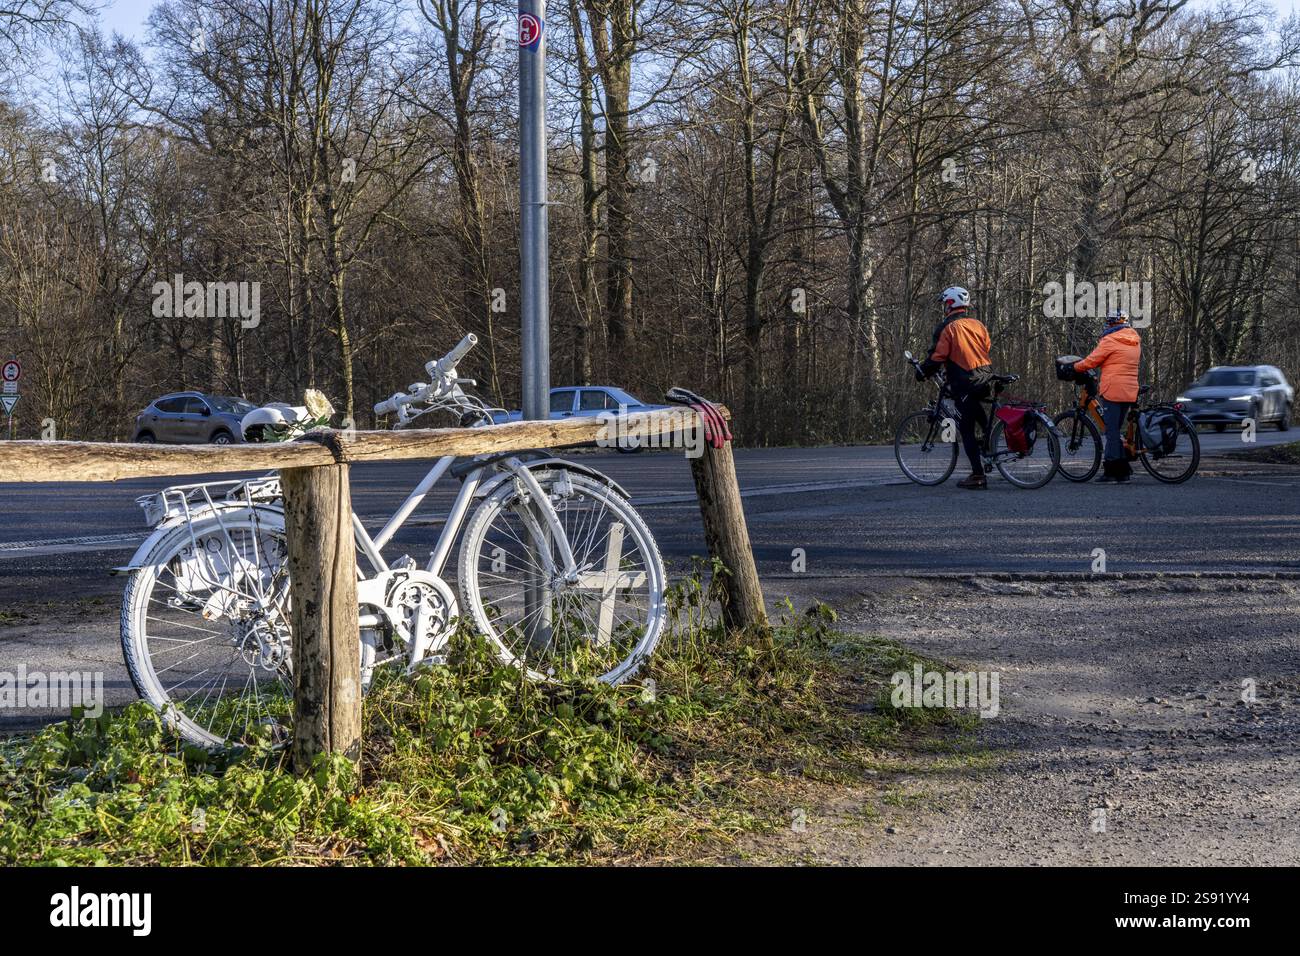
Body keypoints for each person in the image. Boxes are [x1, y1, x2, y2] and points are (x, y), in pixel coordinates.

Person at [918, 286, 994, 490]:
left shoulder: (947, 327)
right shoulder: (978, 324)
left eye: (945, 303)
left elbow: (937, 356)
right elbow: (985, 347)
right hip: (984, 377)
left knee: (965, 429)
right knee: (977, 413)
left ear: (949, 304)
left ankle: (978, 475)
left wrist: (923, 371)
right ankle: (990, 447)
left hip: (964, 381)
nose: (944, 307)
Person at [1074, 309, 1142, 483]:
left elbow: (1092, 361)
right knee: (1116, 429)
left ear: (1111, 323)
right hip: (1130, 390)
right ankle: (1121, 470)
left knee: (1111, 431)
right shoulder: (1134, 340)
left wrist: (1075, 367)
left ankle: (1113, 471)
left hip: (1113, 390)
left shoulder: (1110, 340)